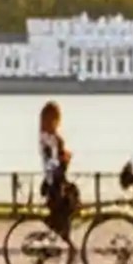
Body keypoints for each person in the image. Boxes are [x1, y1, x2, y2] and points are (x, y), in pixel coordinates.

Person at [38, 101, 79, 242]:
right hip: (54, 179)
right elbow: (51, 161)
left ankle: (64, 240)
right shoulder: (48, 138)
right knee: (64, 208)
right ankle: (65, 242)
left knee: (73, 198)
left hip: (57, 176)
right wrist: (63, 159)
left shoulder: (49, 137)